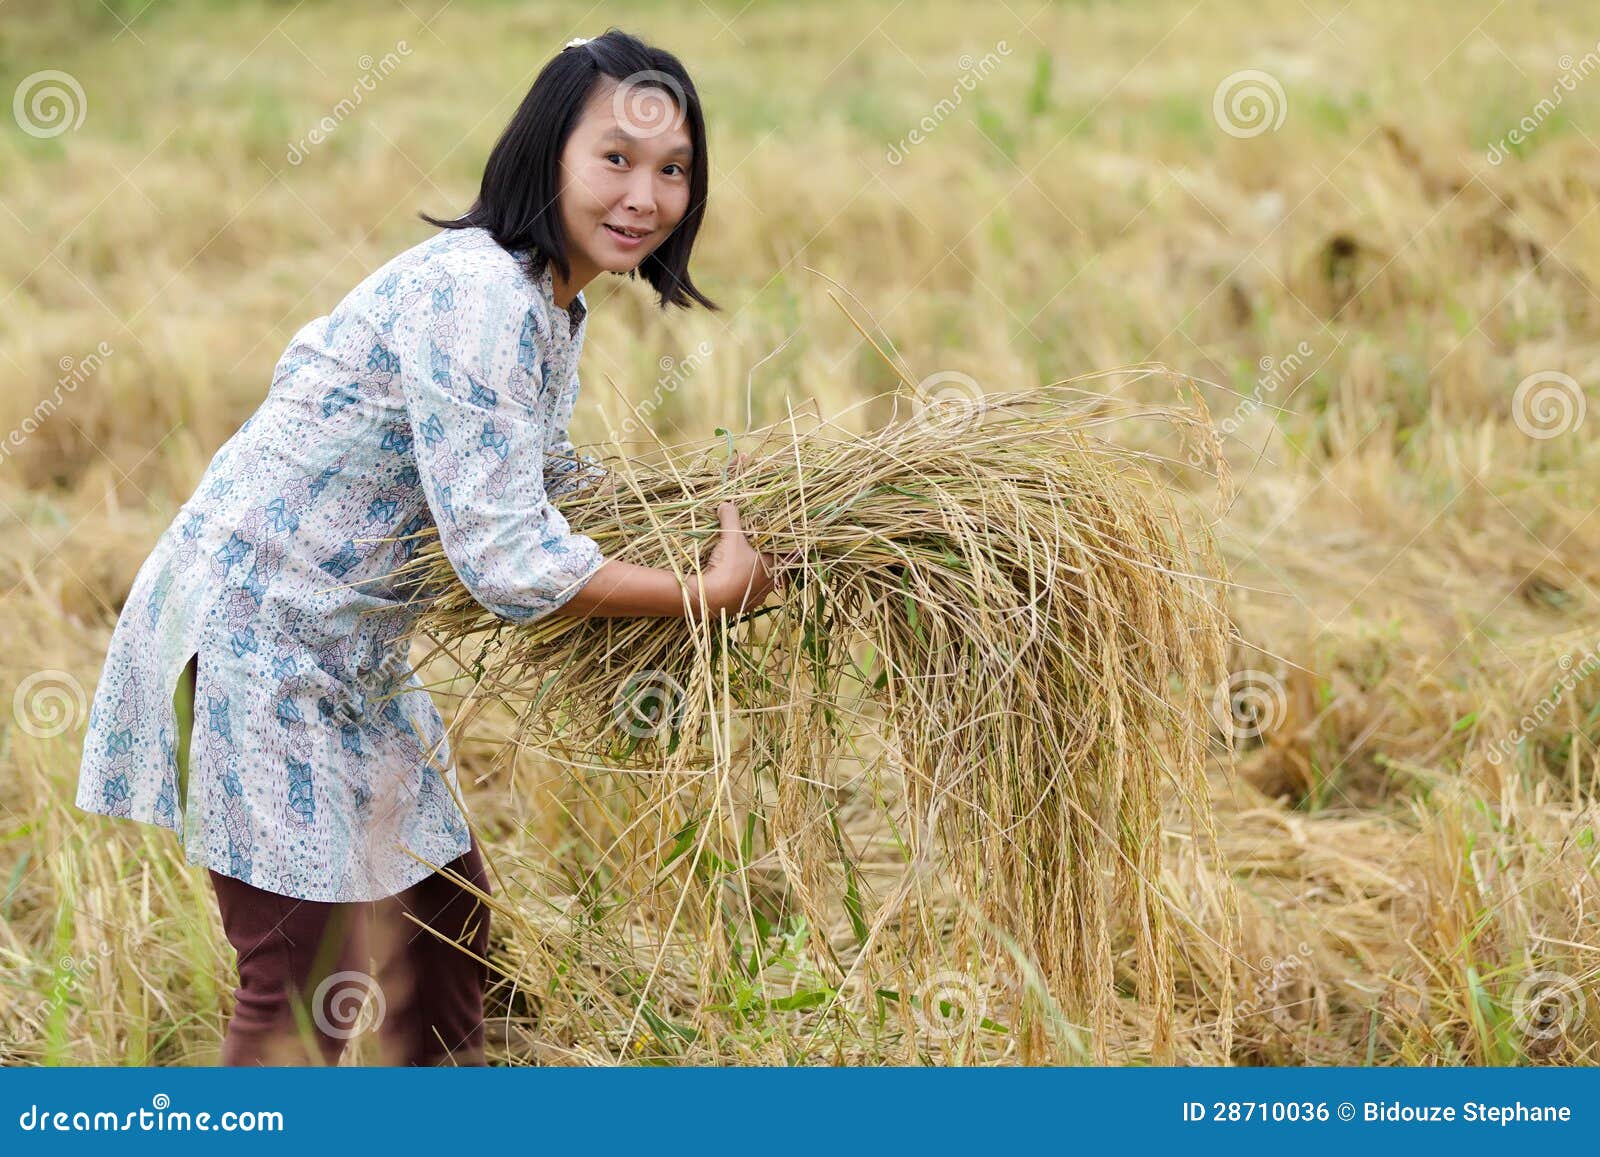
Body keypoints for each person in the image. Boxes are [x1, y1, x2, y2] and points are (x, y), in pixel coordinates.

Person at [75, 28, 778, 1066]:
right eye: (615, 160)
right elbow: (505, 553)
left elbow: (531, 472)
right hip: (257, 639)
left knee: (445, 940)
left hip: (348, 657)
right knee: (300, 982)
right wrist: (698, 591)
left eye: (673, 169)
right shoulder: (479, 294)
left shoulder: (548, 302)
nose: (646, 195)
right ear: (545, 157)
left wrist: (702, 509)